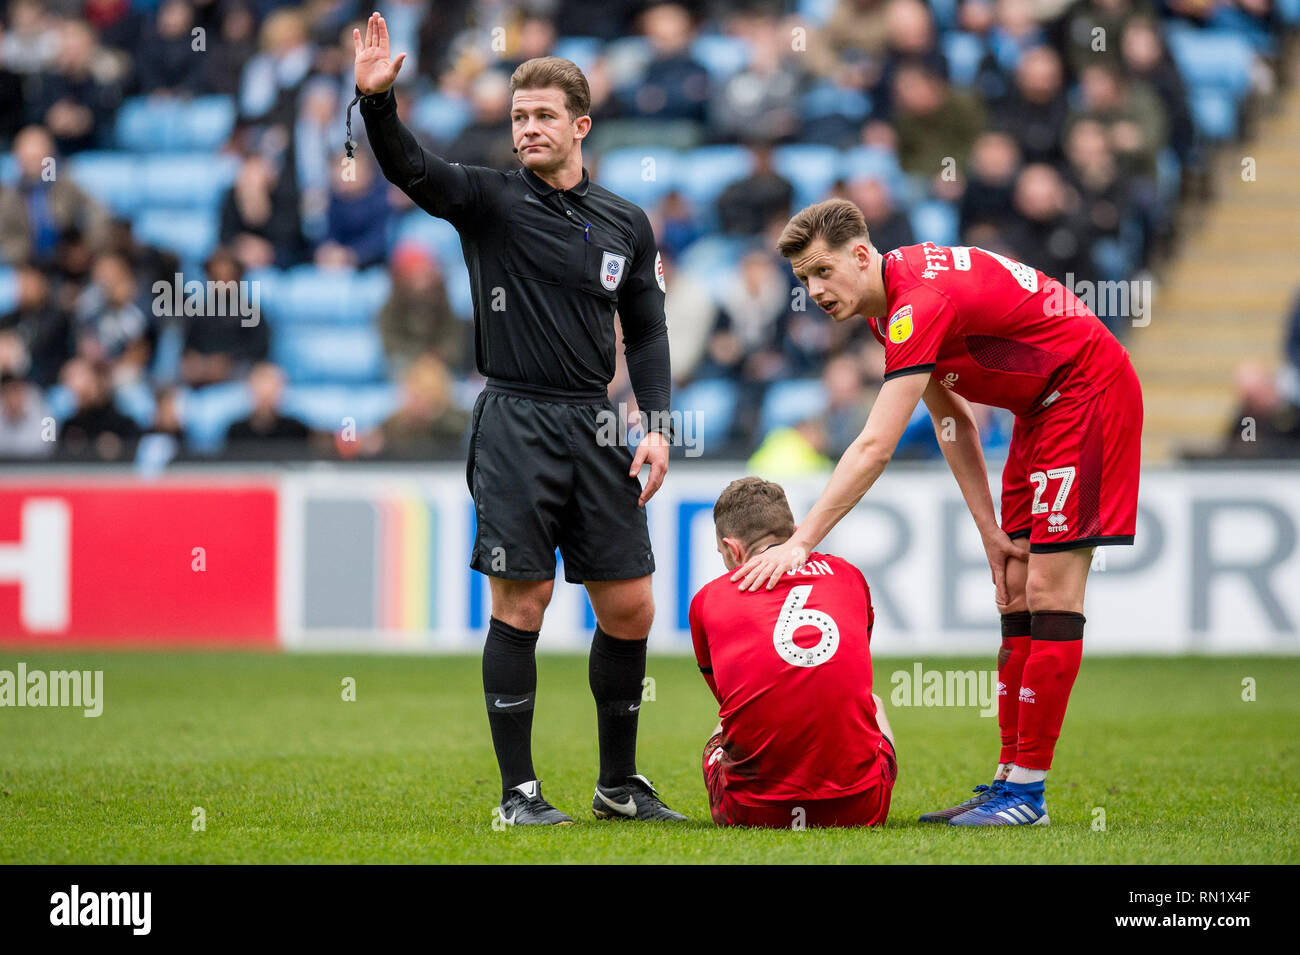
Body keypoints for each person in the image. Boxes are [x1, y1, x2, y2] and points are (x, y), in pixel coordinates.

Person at [354, 13, 680, 826]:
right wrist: (379, 105)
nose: (527, 129)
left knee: (631, 603)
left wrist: (658, 422)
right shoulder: (490, 199)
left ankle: (618, 785)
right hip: (514, 422)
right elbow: (415, 172)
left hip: (596, 423)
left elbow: (645, 326)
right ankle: (519, 795)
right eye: (517, 117)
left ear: (580, 125)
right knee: (522, 601)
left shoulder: (625, 223)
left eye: (541, 117)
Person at [734, 199, 1143, 826]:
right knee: (1014, 592)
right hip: (1039, 411)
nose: (814, 290)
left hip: (1088, 393)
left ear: (862, 254)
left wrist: (803, 540)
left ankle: (1026, 795)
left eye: (822, 271)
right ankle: (1007, 778)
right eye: (803, 280)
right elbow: (954, 421)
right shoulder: (891, 309)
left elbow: (875, 444)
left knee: (1050, 590)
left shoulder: (917, 304)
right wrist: (990, 533)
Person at [690, 477, 896, 828]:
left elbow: (726, 699)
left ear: (732, 548)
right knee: (872, 702)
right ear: (797, 531)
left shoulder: (708, 600)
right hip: (859, 807)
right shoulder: (849, 576)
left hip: (749, 812)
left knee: (729, 717)